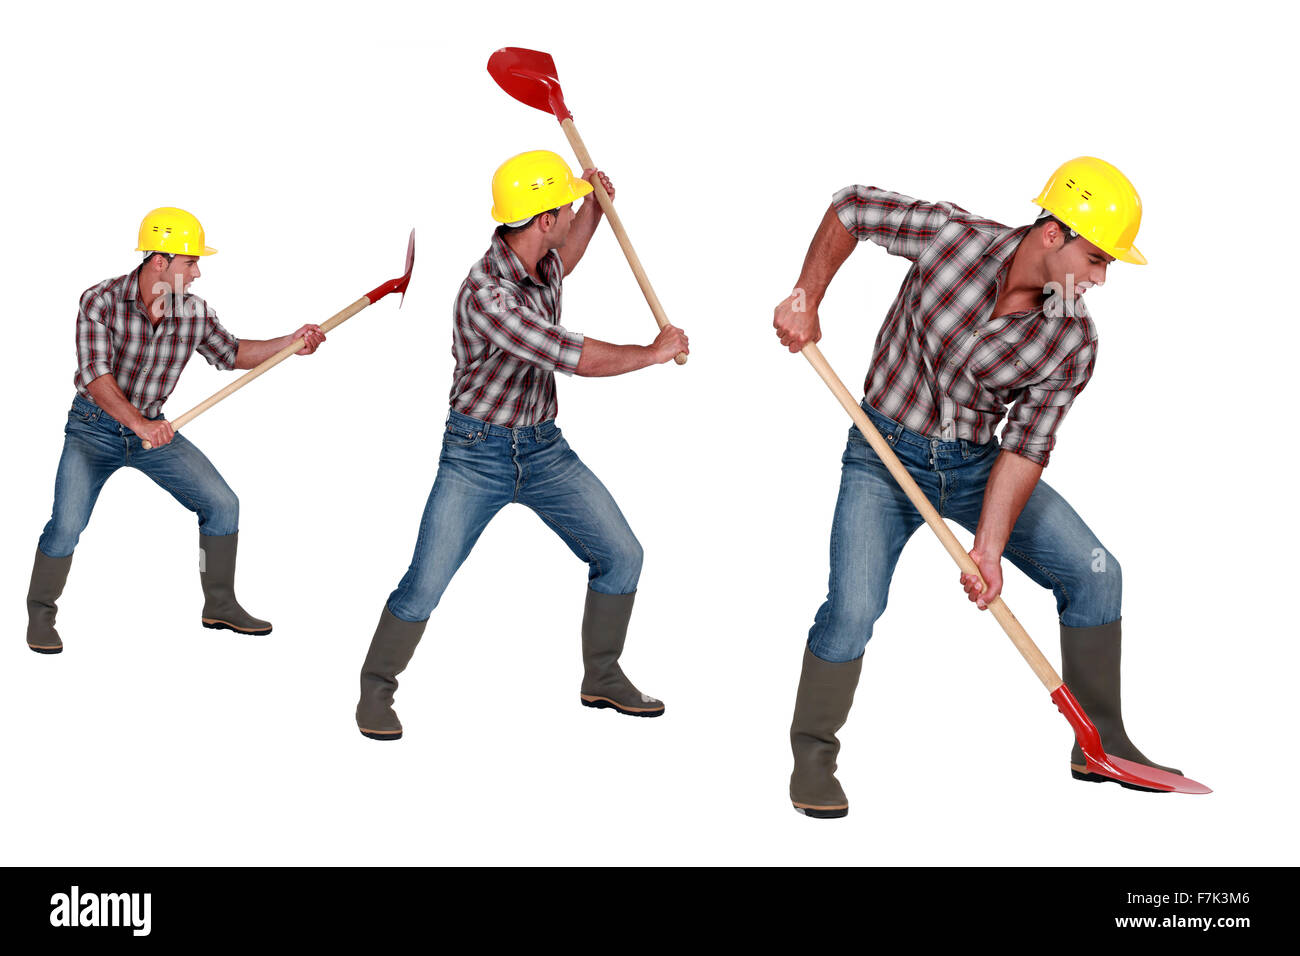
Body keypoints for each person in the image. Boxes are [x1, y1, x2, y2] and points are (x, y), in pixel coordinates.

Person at [772, 157, 1180, 817]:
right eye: (1099, 259)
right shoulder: (950, 237)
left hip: (974, 468)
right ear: (1054, 234)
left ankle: (1100, 742)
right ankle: (813, 753)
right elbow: (851, 207)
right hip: (882, 458)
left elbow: (1025, 447)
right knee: (852, 611)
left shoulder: (1072, 337)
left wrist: (989, 547)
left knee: (1098, 571)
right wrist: (805, 297)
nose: (1102, 280)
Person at [355, 150, 689, 740]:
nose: (565, 214)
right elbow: (573, 356)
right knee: (425, 581)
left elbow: (570, 254)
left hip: (542, 450)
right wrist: (652, 352)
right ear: (541, 221)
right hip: (476, 454)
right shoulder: (487, 295)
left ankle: (602, 677)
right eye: (560, 207)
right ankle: (376, 690)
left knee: (622, 555)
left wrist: (593, 206)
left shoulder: (542, 259)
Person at [26, 207, 326, 653]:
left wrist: (291, 342)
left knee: (222, 504)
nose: (199, 272)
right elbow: (95, 375)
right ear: (160, 261)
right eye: (191, 262)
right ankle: (40, 614)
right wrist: (140, 423)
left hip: (153, 434)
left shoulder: (194, 312)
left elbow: (234, 353)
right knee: (66, 525)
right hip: (94, 429)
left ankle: (220, 605)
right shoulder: (100, 300)